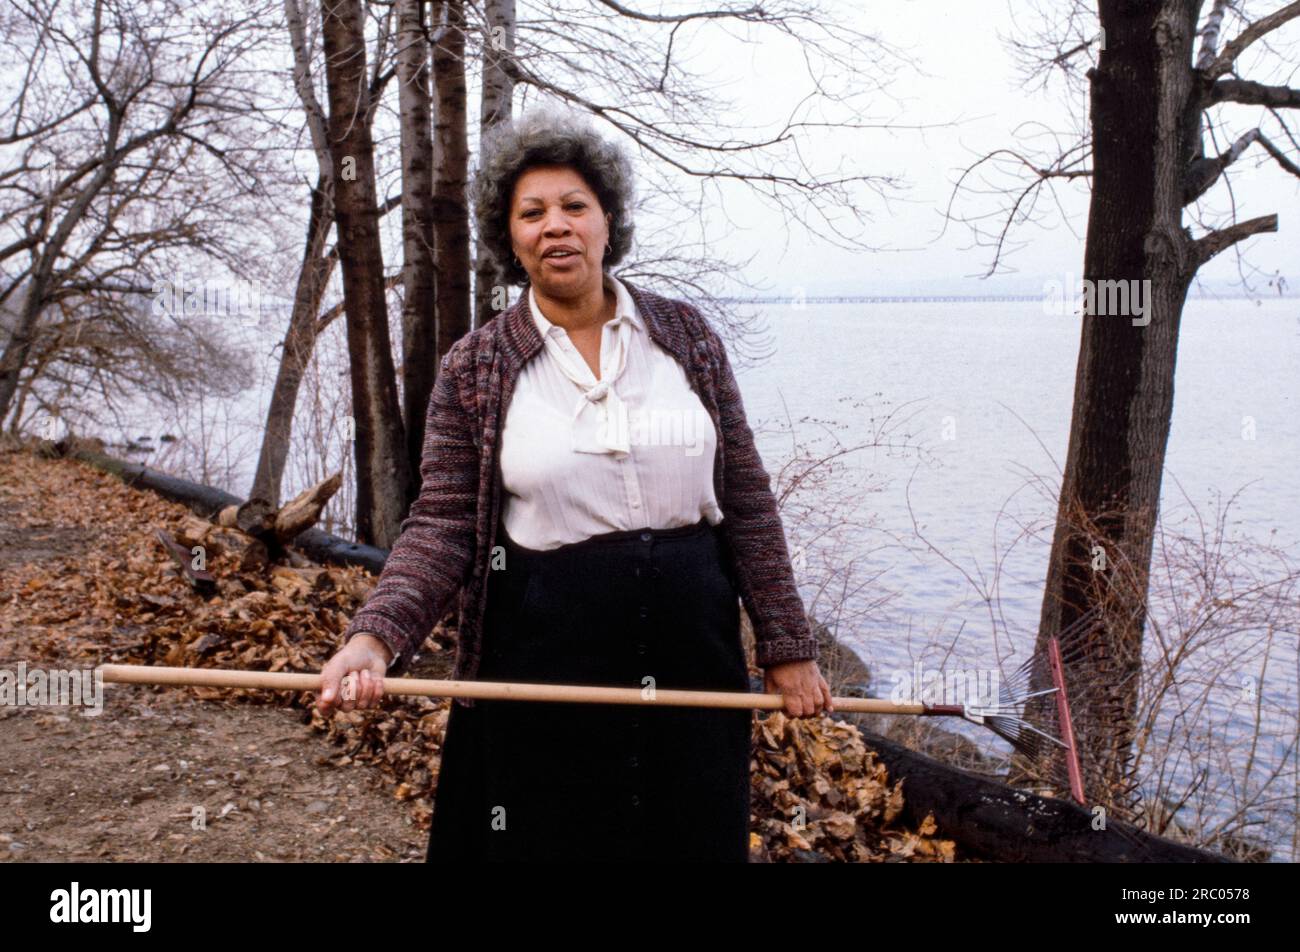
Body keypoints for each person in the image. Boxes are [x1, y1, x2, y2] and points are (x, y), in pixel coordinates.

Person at [316, 105, 832, 862]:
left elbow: (747, 497)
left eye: (573, 206)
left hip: (694, 660)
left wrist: (786, 642)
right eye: (532, 213)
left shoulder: (686, 337)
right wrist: (375, 637)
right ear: (510, 237)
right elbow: (444, 526)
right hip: (546, 664)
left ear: (606, 221)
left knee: (683, 844)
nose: (555, 225)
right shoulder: (475, 367)